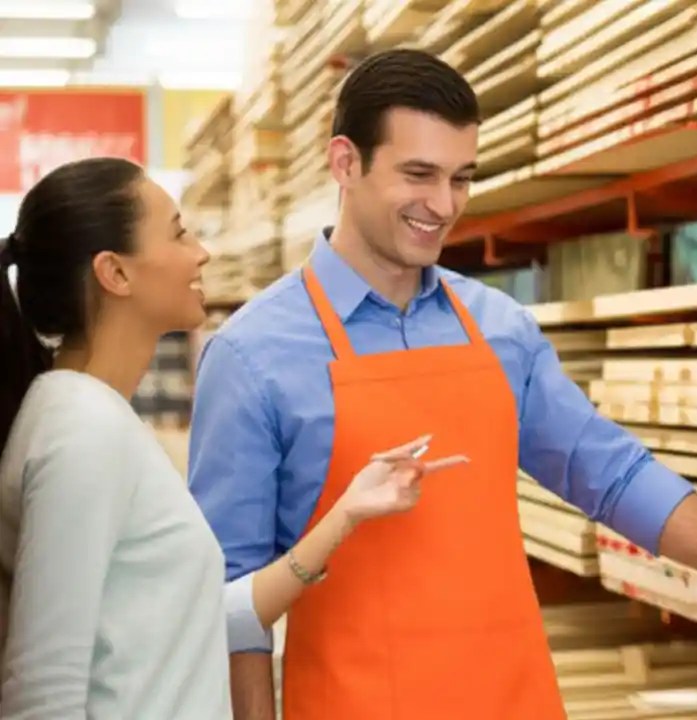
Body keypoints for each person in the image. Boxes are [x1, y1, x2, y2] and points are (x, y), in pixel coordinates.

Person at [187, 48, 697, 720]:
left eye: (462, 178)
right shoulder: (253, 356)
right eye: (419, 174)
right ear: (346, 163)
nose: (443, 205)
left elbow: (613, 474)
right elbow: (234, 604)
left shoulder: (499, 329)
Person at [0, 158, 466, 718]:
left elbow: (187, 625)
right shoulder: (82, 431)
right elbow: (43, 688)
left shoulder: (97, 417)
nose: (202, 252)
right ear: (115, 273)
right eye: (177, 233)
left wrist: (345, 515)